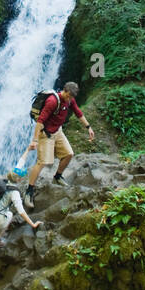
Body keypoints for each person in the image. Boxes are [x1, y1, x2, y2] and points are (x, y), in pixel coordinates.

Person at [23, 82, 94, 211]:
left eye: (71, 97)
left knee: (69, 154)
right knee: (43, 162)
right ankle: (29, 190)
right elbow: (40, 121)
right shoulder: (52, 101)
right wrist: (35, 140)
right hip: (46, 134)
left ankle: (57, 176)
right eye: (68, 96)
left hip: (58, 131)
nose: (69, 100)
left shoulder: (70, 100)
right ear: (64, 91)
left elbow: (78, 112)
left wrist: (88, 127)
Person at [0, 176, 42, 290]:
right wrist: (33, 224)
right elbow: (21, 212)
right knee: (10, 215)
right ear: (19, 180)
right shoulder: (14, 192)